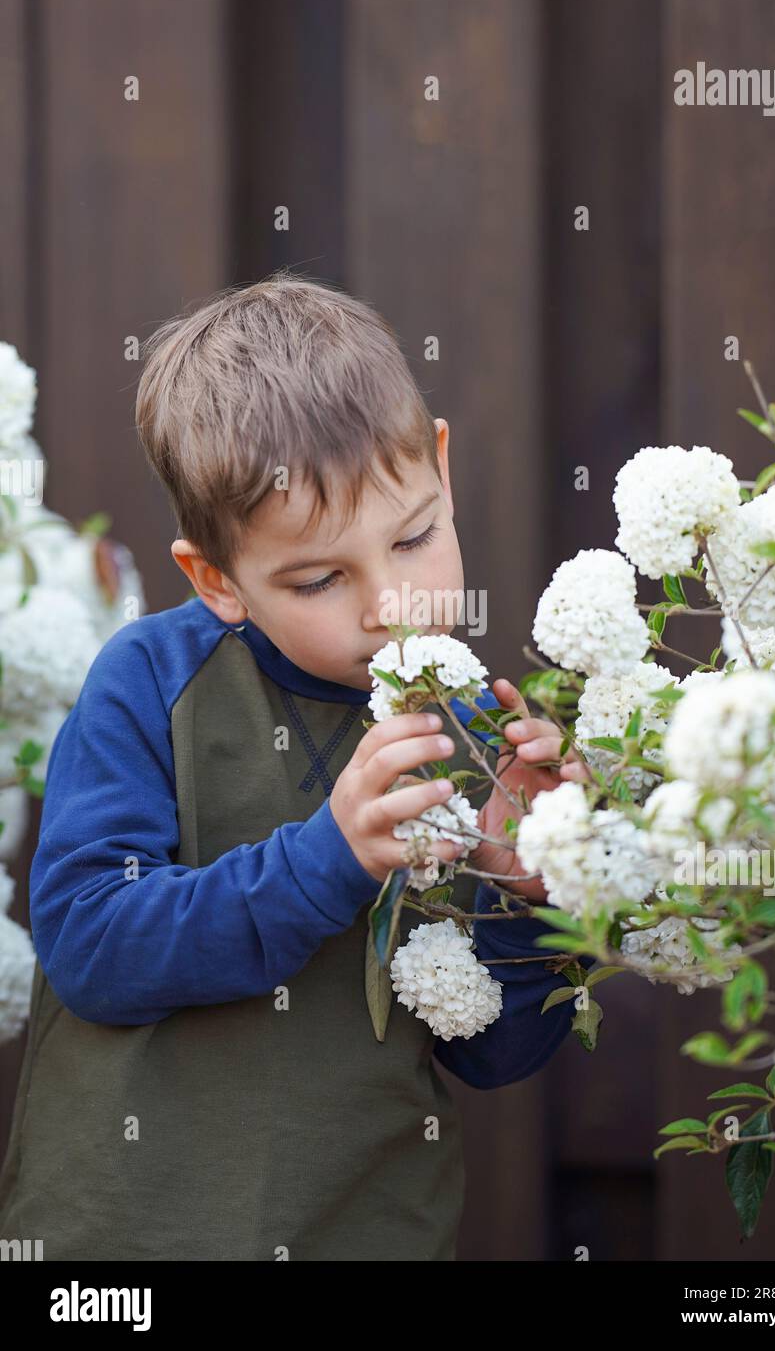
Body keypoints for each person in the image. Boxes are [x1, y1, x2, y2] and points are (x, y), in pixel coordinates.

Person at [0, 271, 587, 1260]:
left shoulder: (473, 727)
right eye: (318, 578)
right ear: (215, 577)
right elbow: (90, 946)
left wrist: (529, 889)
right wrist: (326, 861)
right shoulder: (150, 681)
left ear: (442, 471)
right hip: (127, 1246)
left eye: (413, 537)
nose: (389, 603)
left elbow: (488, 1050)